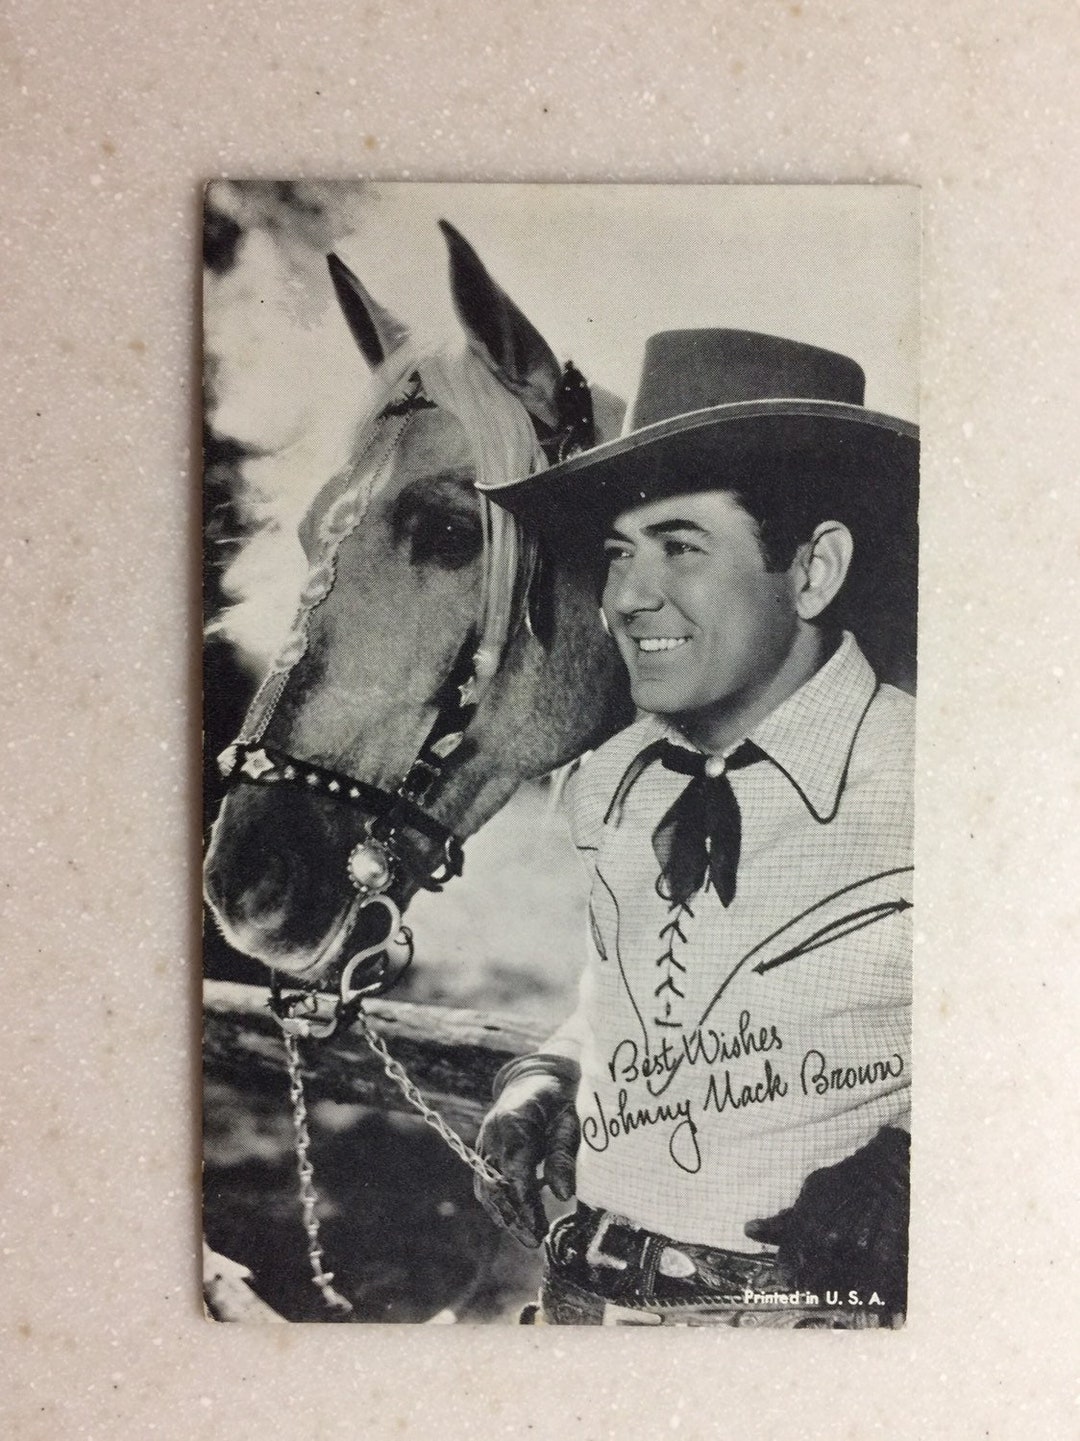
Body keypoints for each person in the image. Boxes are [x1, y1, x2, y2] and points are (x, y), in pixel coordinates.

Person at [474, 330, 917, 1327]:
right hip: (581, 1313)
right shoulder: (614, 777)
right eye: (618, 553)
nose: (628, 598)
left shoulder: (940, 784)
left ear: (812, 570)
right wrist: (545, 1076)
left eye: (681, 546)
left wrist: (915, 1159)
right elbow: (627, 1004)